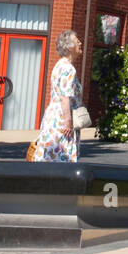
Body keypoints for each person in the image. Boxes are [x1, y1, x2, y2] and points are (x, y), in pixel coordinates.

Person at [32, 30, 83, 162]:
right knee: (62, 157)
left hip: (53, 117)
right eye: (77, 41)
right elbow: (65, 96)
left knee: (49, 157)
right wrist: (68, 121)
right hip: (61, 118)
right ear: (69, 46)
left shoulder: (59, 65)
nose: (80, 43)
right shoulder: (68, 68)